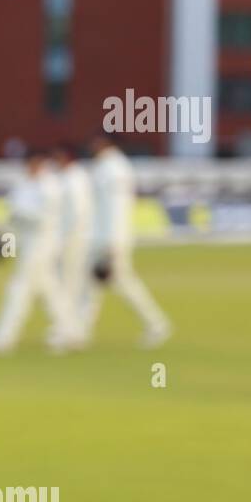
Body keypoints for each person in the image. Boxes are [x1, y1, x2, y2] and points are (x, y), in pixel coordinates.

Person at [0, 149, 75, 353]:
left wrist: (18, 214)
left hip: (42, 244)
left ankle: (4, 338)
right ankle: (69, 332)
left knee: (19, 288)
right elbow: (12, 215)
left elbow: (43, 219)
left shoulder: (49, 187)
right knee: (49, 289)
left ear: (40, 163)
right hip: (26, 244)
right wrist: (1, 233)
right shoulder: (24, 184)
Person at [81, 132, 171, 348]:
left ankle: (157, 324)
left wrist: (113, 243)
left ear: (106, 143)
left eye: (96, 141)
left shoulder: (116, 169)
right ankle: (78, 331)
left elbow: (117, 210)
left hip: (110, 239)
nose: (92, 144)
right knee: (90, 286)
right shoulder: (104, 167)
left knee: (123, 283)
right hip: (99, 237)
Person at [51, 143, 92, 349]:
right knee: (68, 287)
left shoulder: (74, 179)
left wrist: (62, 240)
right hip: (71, 239)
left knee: (68, 287)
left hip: (72, 241)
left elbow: (75, 214)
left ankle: (68, 332)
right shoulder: (69, 178)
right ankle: (72, 331)